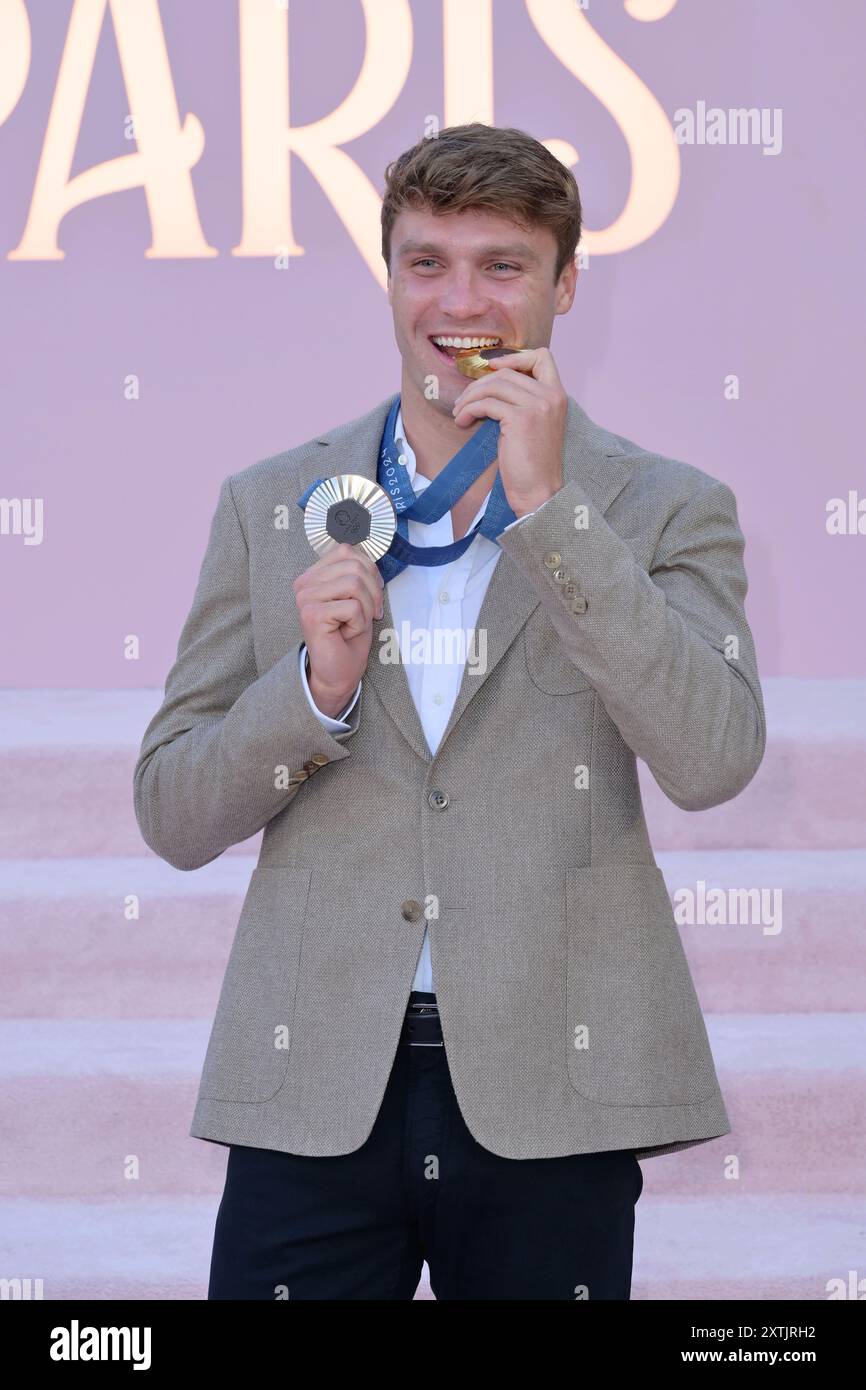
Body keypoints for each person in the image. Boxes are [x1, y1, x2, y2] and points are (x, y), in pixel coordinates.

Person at [133, 123, 765, 1300]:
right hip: (313, 1078)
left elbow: (711, 755)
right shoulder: (270, 503)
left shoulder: (663, 506)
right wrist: (311, 692)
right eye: (426, 262)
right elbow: (172, 810)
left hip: (554, 1076)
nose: (459, 301)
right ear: (388, 278)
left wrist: (551, 512)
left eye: (501, 265)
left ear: (563, 285)